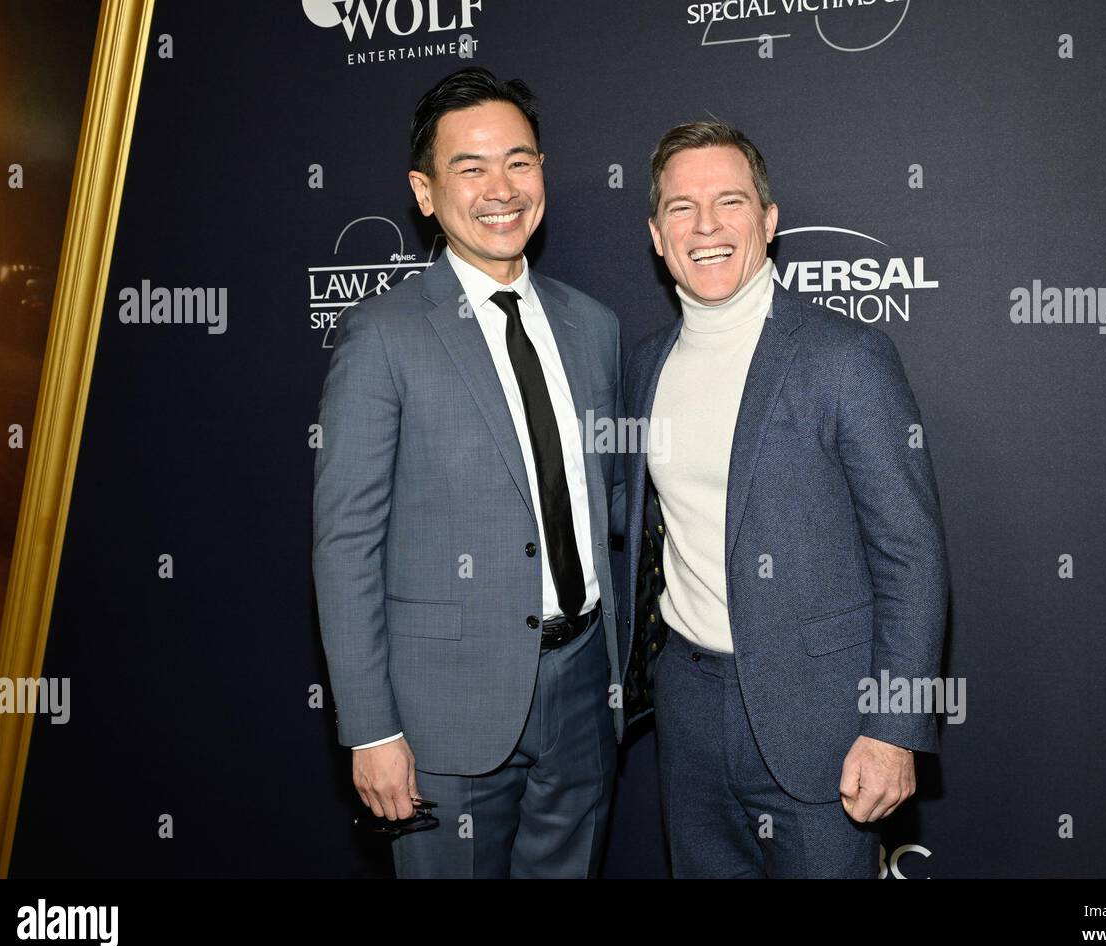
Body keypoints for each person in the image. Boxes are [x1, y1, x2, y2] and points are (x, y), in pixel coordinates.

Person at [312, 67, 625, 878]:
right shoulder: (380, 337)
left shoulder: (593, 327)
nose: (501, 188)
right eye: (470, 167)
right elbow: (345, 544)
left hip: (586, 688)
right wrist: (371, 730)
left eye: (519, 162)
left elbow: (610, 503)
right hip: (441, 717)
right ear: (424, 191)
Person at [620, 120, 949, 878]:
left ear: (768, 222)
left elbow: (913, 556)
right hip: (689, 707)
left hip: (826, 718)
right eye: (681, 208)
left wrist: (894, 727)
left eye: (729, 202)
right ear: (656, 234)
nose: (705, 226)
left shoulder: (846, 357)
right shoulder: (644, 366)